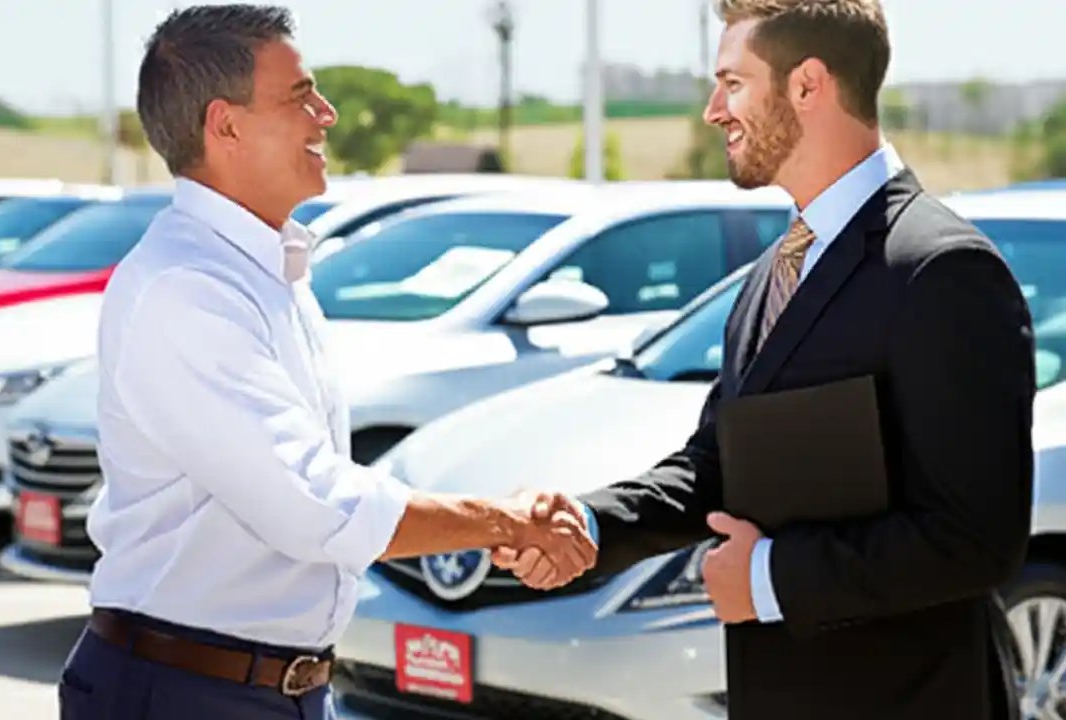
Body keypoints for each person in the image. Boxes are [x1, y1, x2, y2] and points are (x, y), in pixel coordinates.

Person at [493, 1, 1034, 718]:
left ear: (807, 84)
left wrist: (770, 577)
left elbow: (975, 538)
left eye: (732, 83)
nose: (714, 110)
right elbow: (718, 466)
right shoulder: (772, 271)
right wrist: (589, 525)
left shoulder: (942, 270)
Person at [57, 6, 596, 720]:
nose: (327, 114)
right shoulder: (186, 287)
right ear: (226, 125)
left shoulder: (265, 268)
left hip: (266, 689)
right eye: (300, 96)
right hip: (188, 693)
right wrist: (504, 522)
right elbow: (312, 503)